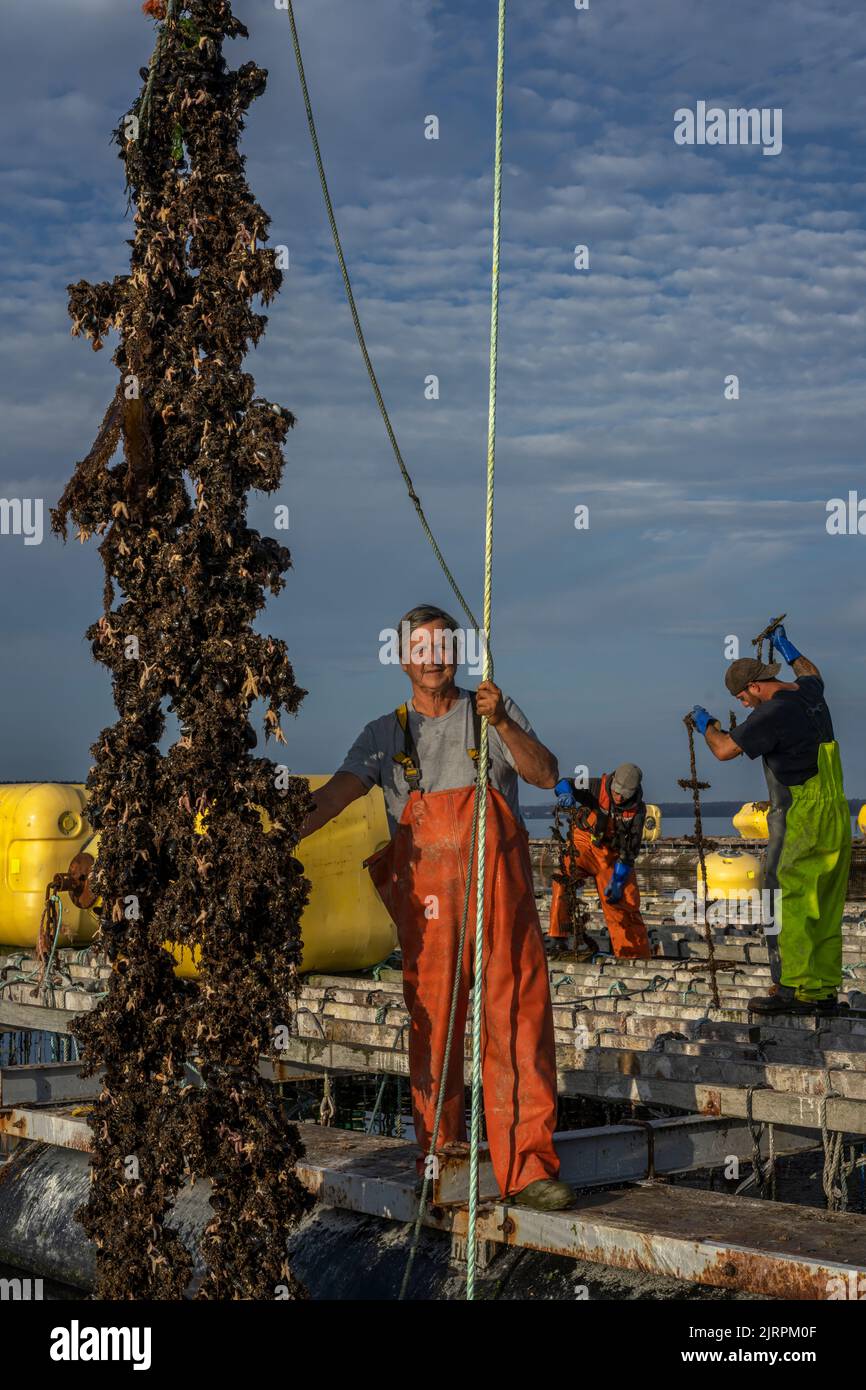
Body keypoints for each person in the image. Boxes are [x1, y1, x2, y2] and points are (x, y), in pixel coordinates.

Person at [300, 604, 573, 1211]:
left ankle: (528, 1167)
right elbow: (335, 797)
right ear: (403, 659)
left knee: (517, 1019)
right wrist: (273, 837)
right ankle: (439, 1164)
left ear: (459, 652)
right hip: (429, 911)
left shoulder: (490, 711)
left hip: (500, 895)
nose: (433, 659)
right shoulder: (384, 735)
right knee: (434, 1032)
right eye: (420, 649)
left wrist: (502, 721)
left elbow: (547, 772)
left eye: (443, 646)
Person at [692, 623, 850, 1016]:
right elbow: (810, 672)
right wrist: (788, 647)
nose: (745, 705)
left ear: (758, 686)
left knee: (786, 900)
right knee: (825, 904)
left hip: (803, 816)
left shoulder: (772, 713)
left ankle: (792, 989)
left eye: (744, 697)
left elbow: (725, 749)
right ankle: (822, 990)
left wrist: (706, 726)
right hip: (836, 814)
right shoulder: (809, 694)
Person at [548, 765, 651, 959]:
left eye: (624, 795)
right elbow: (564, 782)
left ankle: (633, 956)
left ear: (634, 792)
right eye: (616, 792)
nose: (619, 797)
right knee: (562, 877)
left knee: (625, 902)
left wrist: (619, 880)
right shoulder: (595, 786)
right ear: (612, 783)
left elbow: (629, 852)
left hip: (611, 858)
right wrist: (565, 794)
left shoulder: (637, 812)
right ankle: (559, 937)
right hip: (584, 844)